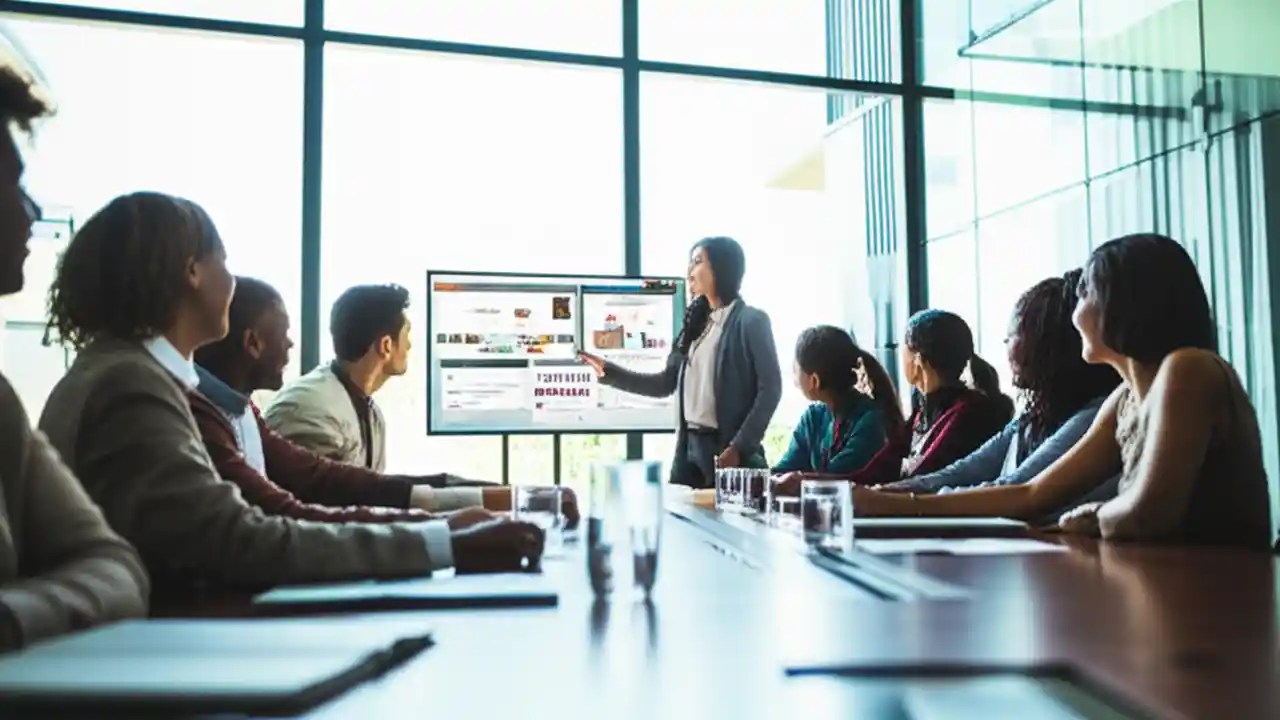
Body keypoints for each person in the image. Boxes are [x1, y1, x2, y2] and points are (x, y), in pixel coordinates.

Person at [39, 192, 544, 600]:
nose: (233, 281)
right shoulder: (133, 385)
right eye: (225, 261)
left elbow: (313, 483)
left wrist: (447, 522)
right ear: (192, 271)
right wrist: (443, 539)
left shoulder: (131, 374)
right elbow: (240, 537)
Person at [853, 234, 1273, 549]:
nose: (1074, 314)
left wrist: (1089, 517)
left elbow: (1148, 515)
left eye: (1085, 293)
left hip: (1223, 598)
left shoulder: (1188, 370)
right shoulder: (1124, 399)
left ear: (1124, 301)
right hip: (1171, 588)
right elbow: (1032, 494)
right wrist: (892, 505)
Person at [193, 276, 575, 523]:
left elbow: (374, 486)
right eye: (285, 332)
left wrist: (516, 498)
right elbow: (313, 508)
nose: (292, 343)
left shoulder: (247, 412)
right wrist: (446, 532)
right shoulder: (306, 409)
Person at [0, 63, 148, 651]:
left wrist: (12, 619)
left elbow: (113, 564)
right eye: (10, 183)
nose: (32, 212)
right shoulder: (126, 378)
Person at [878, 270, 1120, 502]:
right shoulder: (1033, 417)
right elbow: (962, 471)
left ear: (1046, 340)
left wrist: (891, 502)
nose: (1005, 343)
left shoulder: (1095, 413)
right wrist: (880, 493)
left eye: (1012, 334)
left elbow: (1018, 491)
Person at [579, 236, 782, 488]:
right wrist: (609, 372)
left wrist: (740, 446)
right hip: (690, 448)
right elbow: (665, 383)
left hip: (727, 450)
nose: (689, 270)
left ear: (722, 267)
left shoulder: (751, 321)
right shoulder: (693, 325)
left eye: (698, 262)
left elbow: (771, 389)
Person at [829, 309, 1013, 488]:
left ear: (917, 360)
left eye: (903, 347)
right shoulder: (923, 411)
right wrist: (810, 481)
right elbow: (877, 471)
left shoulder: (969, 412)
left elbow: (926, 477)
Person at [264, 284, 414, 472]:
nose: (409, 345)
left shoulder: (370, 413)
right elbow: (331, 495)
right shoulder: (308, 409)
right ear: (386, 345)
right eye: (406, 334)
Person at [771, 326, 904, 490]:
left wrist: (797, 480)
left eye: (796, 369)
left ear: (814, 381)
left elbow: (840, 480)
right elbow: (785, 469)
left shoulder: (870, 421)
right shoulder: (813, 417)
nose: (793, 374)